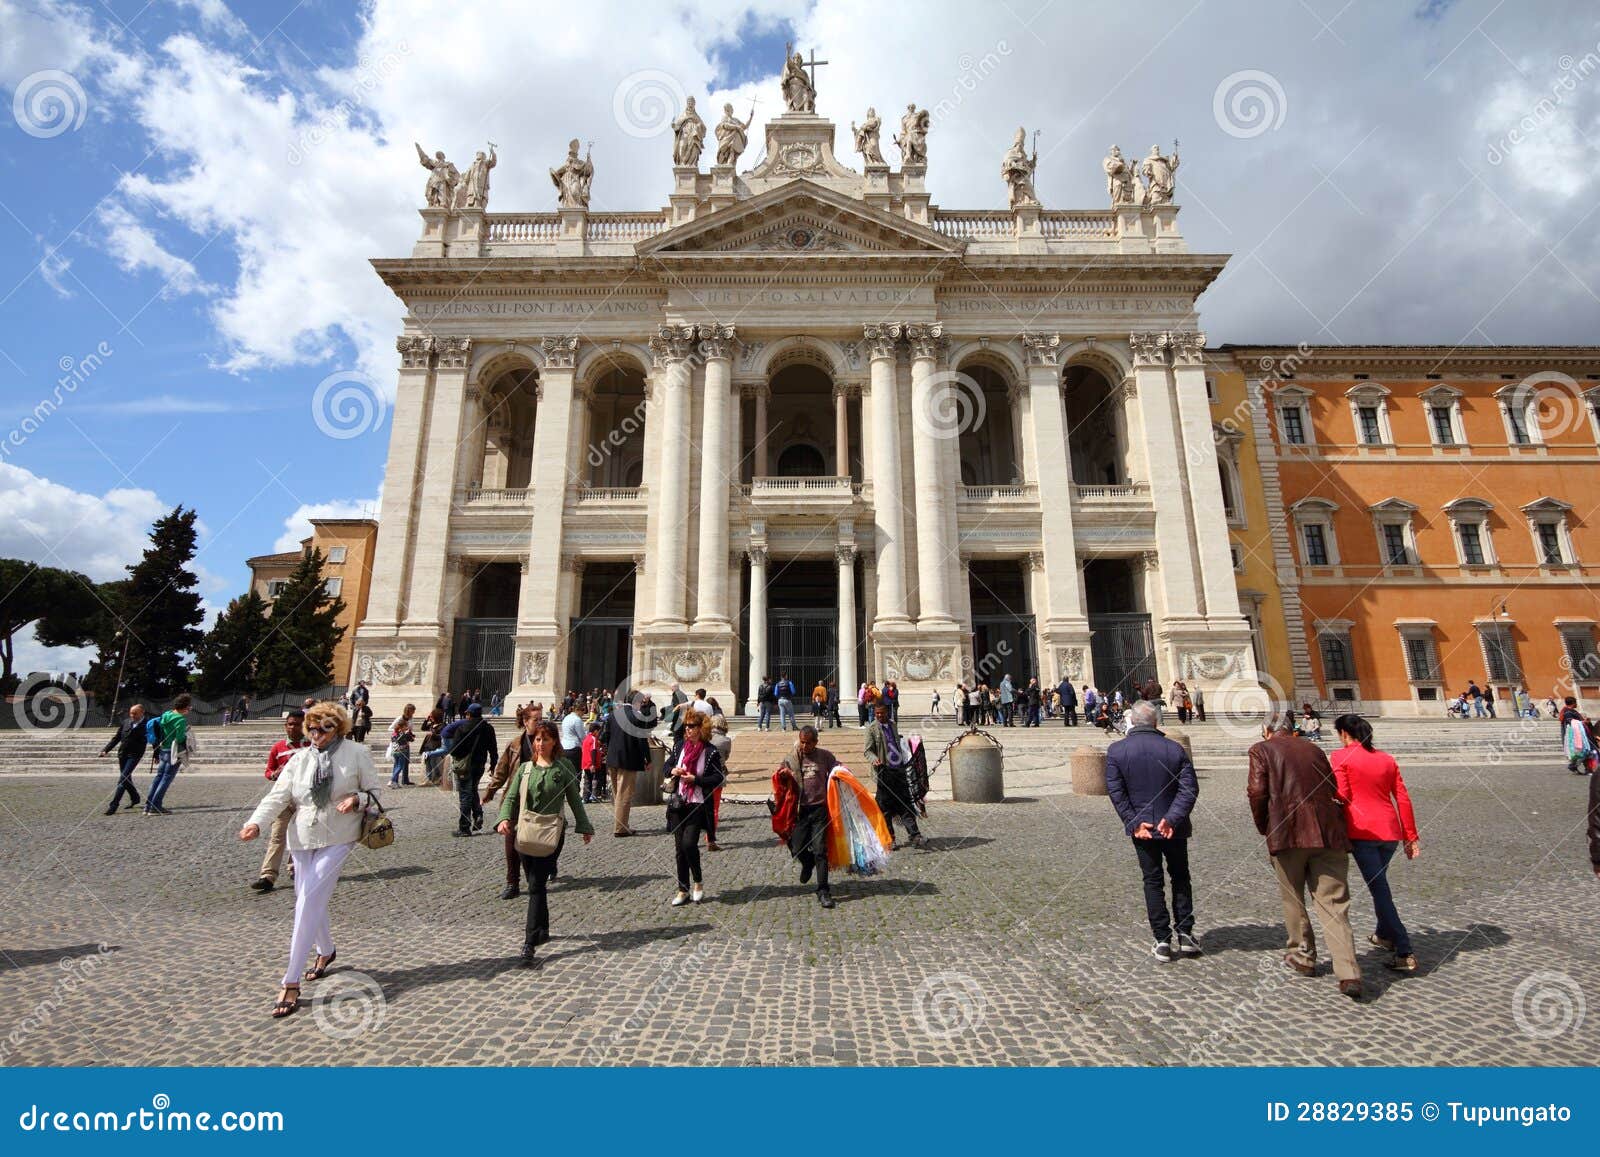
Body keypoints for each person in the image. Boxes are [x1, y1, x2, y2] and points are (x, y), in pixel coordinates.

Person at [239, 701, 382, 1017]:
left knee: (307, 899)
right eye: (312, 728)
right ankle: (326, 950)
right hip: (302, 836)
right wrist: (256, 823)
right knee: (309, 897)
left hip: (340, 835)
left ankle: (290, 981)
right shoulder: (299, 758)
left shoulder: (357, 753)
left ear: (338, 728)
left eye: (324, 728)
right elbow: (277, 796)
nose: (317, 734)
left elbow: (376, 792)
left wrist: (357, 799)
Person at [1247, 715, 1363, 999]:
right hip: (1327, 833)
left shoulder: (1262, 750)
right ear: (1292, 730)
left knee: (1293, 897)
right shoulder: (1314, 749)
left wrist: (1265, 827)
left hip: (1288, 833)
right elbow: (1332, 786)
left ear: (1267, 731)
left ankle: (1303, 955)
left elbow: (1257, 792)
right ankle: (1348, 972)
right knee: (1334, 903)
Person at [495, 719, 593, 968]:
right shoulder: (525, 769)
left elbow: (575, 799)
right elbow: (511, 797)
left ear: (554, 742)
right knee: (534, 884)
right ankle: (542, 930)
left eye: (545, 739)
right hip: (526, 832)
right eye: (537, 739)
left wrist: (584, 826)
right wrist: (503, 818)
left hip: (551, 834)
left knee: (536, 885)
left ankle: (529, 942)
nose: (540, 743)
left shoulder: (563, 768)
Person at [1105, 701, 1200, 961]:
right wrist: (1172, 819)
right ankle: (1186, 935)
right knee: (1180, 877)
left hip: (1143, 829)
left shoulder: (1117, 751)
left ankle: (1162, 940)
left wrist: (1134, 821)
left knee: (1152, 880)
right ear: (1156, 722)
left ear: (1132, 722)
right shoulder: (1174, 749)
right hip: (1173, 829)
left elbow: (1116, 792)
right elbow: (1189, 789)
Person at [1330, 715, 1420, 974]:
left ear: (1344, 733)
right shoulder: (1386, 759)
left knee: (1379, 890)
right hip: (1389, 832)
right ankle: (1383, 935)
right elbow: (1402, 798)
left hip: (1362, 831)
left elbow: (1342, 794)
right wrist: (1410, 835)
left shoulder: (1341, 756)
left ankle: (1404, 950)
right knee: (1379, 883)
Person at [663, 709, 726, 907]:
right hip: (678, 802)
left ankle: (698, 881)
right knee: (679, 849)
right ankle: (683, 890)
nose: (687, 730)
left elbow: (718, 778)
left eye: (691, 726)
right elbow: (666, 767)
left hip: (698, 804)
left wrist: (696, 779)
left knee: (689, 844)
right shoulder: (679, 747)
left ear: (701, 728)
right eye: (686, 726)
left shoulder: (710, 751)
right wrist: (673, 770)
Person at [251, 709, 312, 893]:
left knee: (301, 836)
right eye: (290, 724)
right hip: (282, 799)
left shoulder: (312, 746)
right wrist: (273, 774)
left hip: (304, 800)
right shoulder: (278, 747)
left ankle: (295, 868)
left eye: (297, 724)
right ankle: (267, 876)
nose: (293, 727)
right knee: (277, 836)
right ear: (285, 726)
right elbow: (268, 771)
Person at [483, 707, 535, 899]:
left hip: (538, 799)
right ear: (525, 721)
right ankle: (512, 882)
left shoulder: (547, 742)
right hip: (515, 797)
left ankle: (534, 875)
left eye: (541, 719)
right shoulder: (514, 744)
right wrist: (490, 791)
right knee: (511, 840)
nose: (540, 722)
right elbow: (502, 770)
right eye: (536, 719)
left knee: (533, 840)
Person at [865, 702, 925, 849]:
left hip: (899, 770)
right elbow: (868, 750)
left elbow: (898, 744)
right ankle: (890, 838)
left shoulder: (893, 724)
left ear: (887, 712)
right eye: (877, 713)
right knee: (885, 807)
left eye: (882, 713)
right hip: (884, 772)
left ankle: (915, 835)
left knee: (905, 803)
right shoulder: (872, 728)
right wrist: (875, 759)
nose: (879, 715)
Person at [604, 690, 655, 837]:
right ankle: (620, 828)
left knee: (617, 794)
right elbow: (642, 741)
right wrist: (648, 759)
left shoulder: (613, 715)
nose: (642, 705)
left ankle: (621, 824)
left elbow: (605, 736)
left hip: (612, 759)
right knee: (624, 795)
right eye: (641, 702)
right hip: (628, 760)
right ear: (636, 702)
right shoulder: (637, 716)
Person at [444, 703, 498, 836]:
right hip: (480, 765)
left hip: (465, 766)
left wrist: (460, 755)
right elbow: (493, 749)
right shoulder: (488, 728)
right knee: (472, 789)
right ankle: (478, 814)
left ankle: (464, 828)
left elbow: (454, 750)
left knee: (465, 795)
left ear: (469, 714)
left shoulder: (462, 728)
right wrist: (493, 765)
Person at [144, 693, 193, 815]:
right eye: (189, 706)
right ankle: (155, 806)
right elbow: (180, 738)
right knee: (166, 779)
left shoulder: (167, 714)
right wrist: (187, 733)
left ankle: (148, 806)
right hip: (173, 752)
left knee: (158, 777)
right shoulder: (180, 719)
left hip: (163, 750)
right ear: (185, 706)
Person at [98, 703, 147, 814]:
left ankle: (113, 805)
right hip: (123, 754)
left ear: (142, 712)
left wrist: (156, 753)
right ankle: (135, 797)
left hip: (135, 755)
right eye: (131, 713)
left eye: (135, 713)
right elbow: (116, 738)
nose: (132, 715)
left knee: (123, 779)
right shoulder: (126, 722)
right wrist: (106, 750)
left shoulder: (148, 724)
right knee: (126, 778)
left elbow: (154, 738)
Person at [706, 713, 733, 850]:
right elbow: (726, 757)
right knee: (714, 809)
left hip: (703, 776)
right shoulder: (726, 740)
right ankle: (710, 839)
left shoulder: (705, 737)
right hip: (717, 776)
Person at [387, 704, 416, 786]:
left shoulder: (411, 719)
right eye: (412, 711)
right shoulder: (400, 718)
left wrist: (409, 733)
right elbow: (390, 728)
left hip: (406, 743)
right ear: (408, 711)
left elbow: (411, 729)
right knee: (398, 764)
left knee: (406, 761)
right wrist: (400, 732)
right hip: (399, 745)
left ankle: (405, 780)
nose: (413, 713)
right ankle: (394, 780)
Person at [580, 720, 605, 803]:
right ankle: (594, 796)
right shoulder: (593, 739)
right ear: (595, 731)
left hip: (585, 763)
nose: (599, 734)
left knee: (587, 781)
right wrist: (593, 764)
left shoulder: (586, 738)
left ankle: (585, 797)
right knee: (595, 780)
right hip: (592, 763)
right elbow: (593, 751)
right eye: (598, 732)